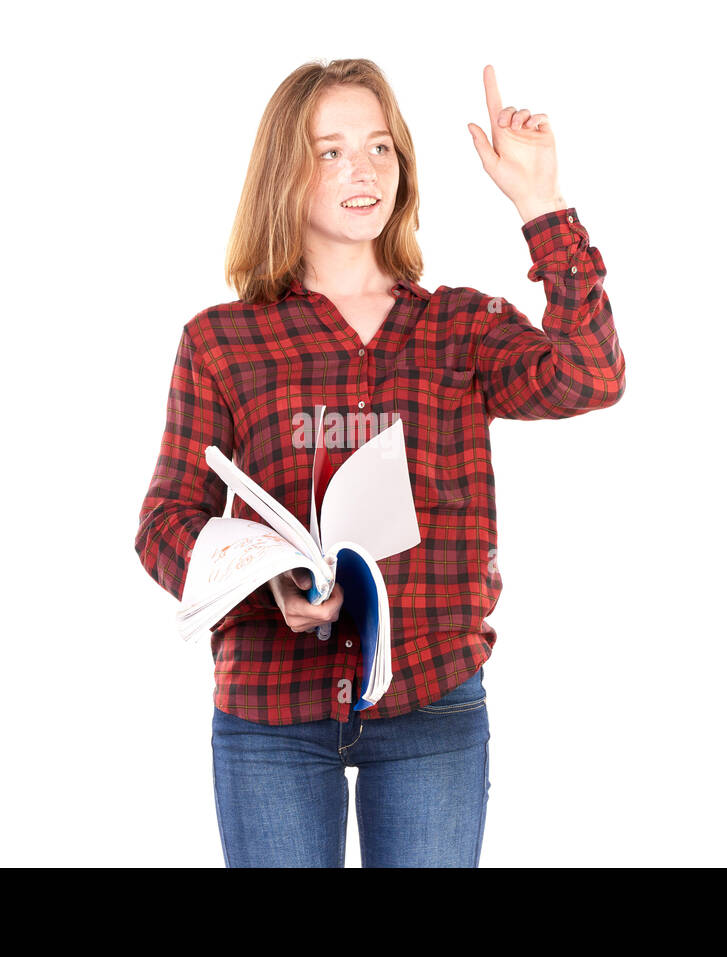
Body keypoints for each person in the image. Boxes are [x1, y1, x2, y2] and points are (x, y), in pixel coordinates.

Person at [135, 59, 625, 867]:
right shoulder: (221, 340)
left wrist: (542, 203)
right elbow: (164, 525)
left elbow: (591, 375)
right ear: (282, 174)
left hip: (431, 700)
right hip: (271, 711)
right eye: (328, 151)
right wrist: (266, 582)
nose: (361, 170)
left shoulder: (462, 327)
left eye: (379, 148)